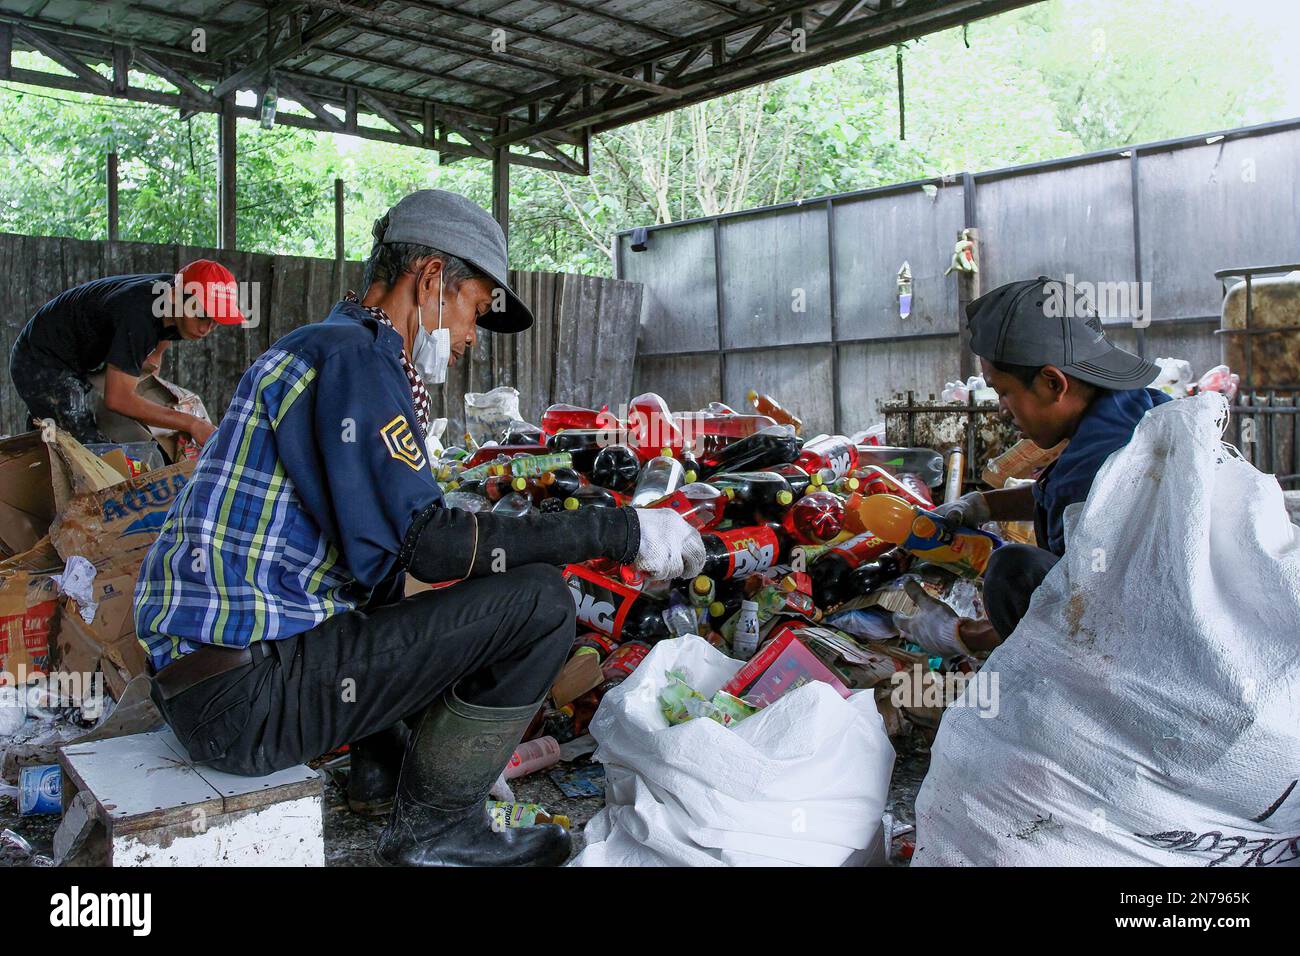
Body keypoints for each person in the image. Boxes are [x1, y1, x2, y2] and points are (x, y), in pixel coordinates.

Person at [133, 189, 705, 868]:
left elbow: (374, 566)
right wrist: (621, 531)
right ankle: (436, 833)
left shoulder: (326, 349)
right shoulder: (356, 359)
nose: (468, 339)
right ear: (432, 279)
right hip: (243, 703)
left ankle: (382, 775)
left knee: (408, 599)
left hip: (205, 687)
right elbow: (428, 546)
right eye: (473, 310)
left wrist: (455, 741)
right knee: (542, 603)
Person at [895, 276, 1170, 657]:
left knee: (1013, 569)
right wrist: (984, 505)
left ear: (1053, 383)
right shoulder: (1139, 406)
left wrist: (962, 636)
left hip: (1147, 652)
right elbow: (1054, 492)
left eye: (1003, 391)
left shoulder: (1093, 472)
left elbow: (1082, 620)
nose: (1001, 409)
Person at [9, 260, 243, 447]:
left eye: (216, 321)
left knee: (63, 428)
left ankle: (44, 431)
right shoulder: (139, 316)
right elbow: (117, 399)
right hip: (41, 358)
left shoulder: (174, 298)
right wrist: (192, 423)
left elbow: (168, 329)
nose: (206, 329)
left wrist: (156, 353)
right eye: (202, 316)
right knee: (86, 447)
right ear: (175, 297)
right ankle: (36, 455)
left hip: (77, 354)